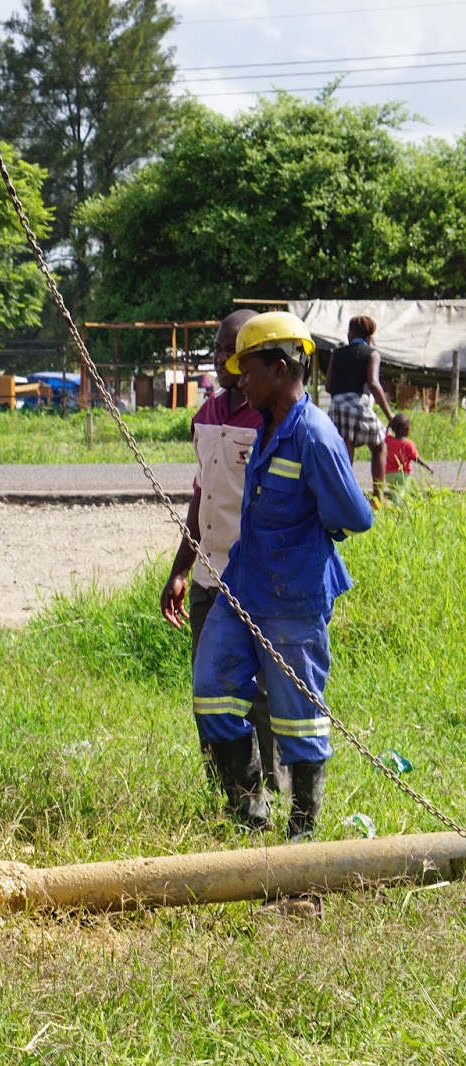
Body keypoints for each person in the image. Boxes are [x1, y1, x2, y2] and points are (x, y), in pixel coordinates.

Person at [192, 311, 373, 839]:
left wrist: (315, 532)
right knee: (211, 691)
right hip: (243, 587)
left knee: (300, 719)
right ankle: (250, 805)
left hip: (293, 598)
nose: (238, 379)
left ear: (279, 367)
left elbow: (355, 516)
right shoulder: (266, 424)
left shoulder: (314, 436)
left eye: (247, 369)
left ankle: (302, 829)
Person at [160, 309, 287, 794]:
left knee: (259, 692)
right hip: (209, 578)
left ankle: (271, 787)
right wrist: (180, 570)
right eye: (216, 348)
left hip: (256, 581)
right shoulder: (207, 413)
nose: (220, 358)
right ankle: (227, 787)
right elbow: (201, 496)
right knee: (208, 690)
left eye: (230, 350)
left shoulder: (272, 420)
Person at [326, 315, 394, 497]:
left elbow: (327, 386)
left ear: (351, 332)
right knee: (379, 445)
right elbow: (373, 383)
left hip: (336, 406)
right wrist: (390, 416)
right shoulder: (372, 353)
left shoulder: (337, 353)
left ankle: (344, 496)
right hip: (357, 404)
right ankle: (378, 497)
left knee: (346, 447)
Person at [383, 412, 434, 493]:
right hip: (403, 475)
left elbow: (388, 430)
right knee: (400, 495)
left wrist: (390, 423)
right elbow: (416, 459)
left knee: (395, 494)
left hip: (389, 475)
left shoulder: (388, 440)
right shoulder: (408, 444)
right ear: (407, 430)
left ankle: (397, 504)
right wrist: (427, 466)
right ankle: (398, 505)